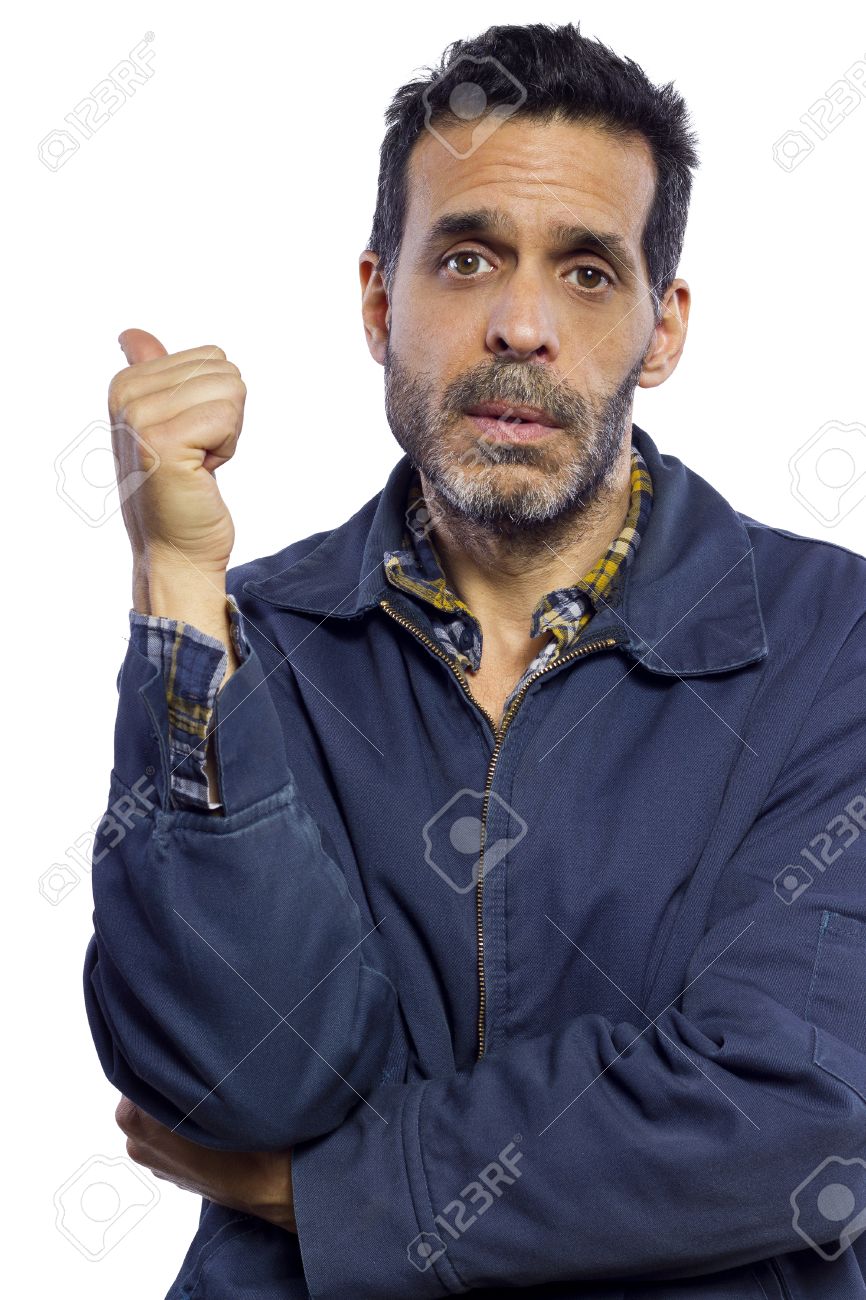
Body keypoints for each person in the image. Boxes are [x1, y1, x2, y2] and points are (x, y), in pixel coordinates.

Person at [85, 20, 866, 1300]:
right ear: (378, 301)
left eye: (586, 272)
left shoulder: (833, 638)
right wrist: (173, 577)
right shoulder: (250, 638)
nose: (519, 325)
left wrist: (322, 1192)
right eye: (465, 258)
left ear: (661, 330)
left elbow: (796, 1106)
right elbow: (236, 1081)